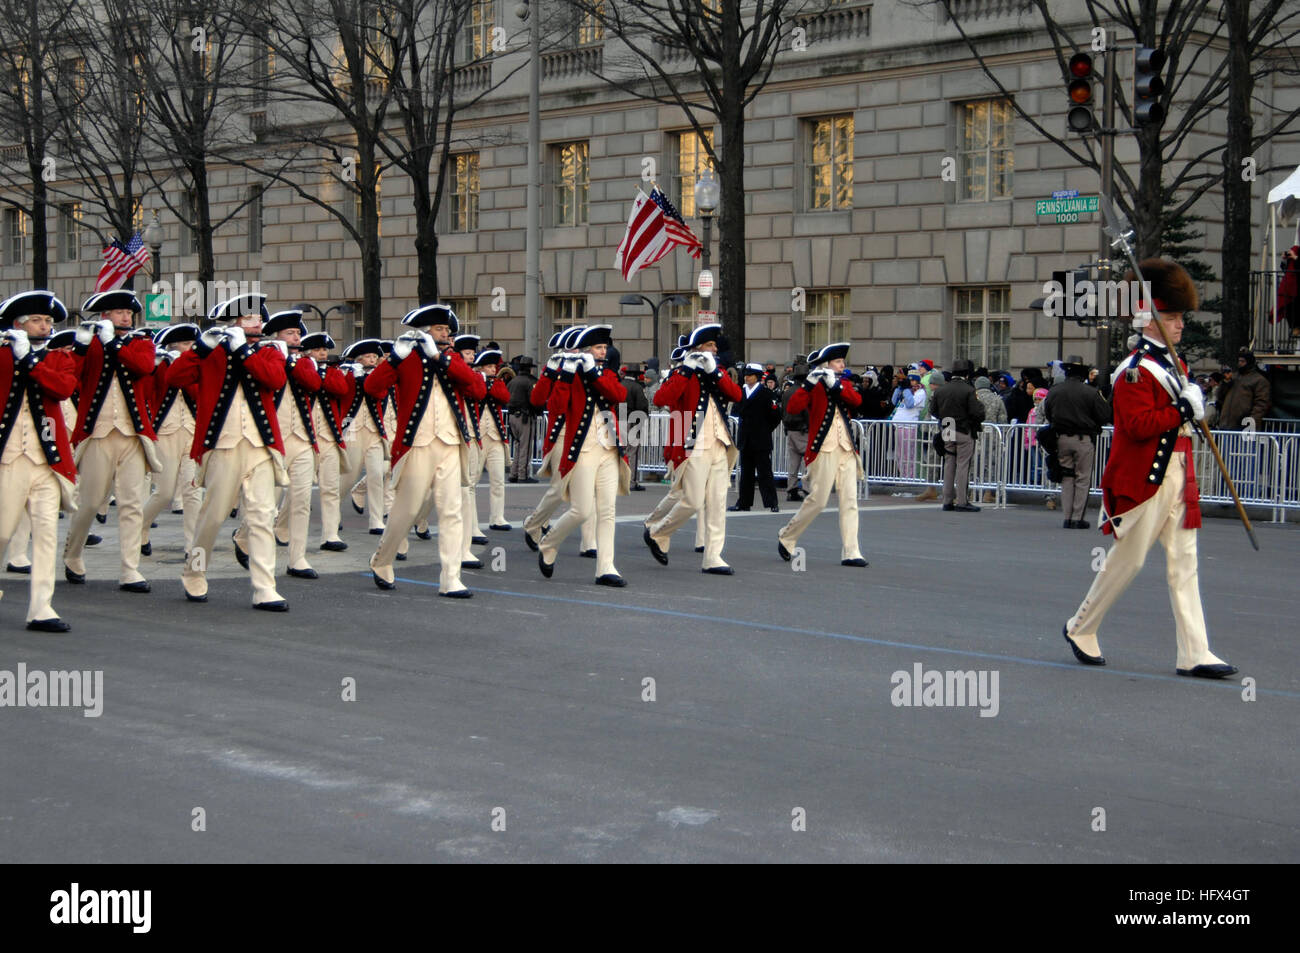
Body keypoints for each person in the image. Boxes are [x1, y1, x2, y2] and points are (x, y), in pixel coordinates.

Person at [1063, 259, 1237, 679]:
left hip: (1178, 470)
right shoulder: (1136, 372)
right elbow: (1135, 427)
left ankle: (1195, 651)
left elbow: (1177, 421)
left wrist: (1193, 410)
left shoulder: (1175, 367)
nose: (1180, 325)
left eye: (1180, 317)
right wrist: (1181, 408)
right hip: (1146, 476)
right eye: (1173, 317)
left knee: (1184, 562)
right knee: (1131, 560)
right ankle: (1081, 626)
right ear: (1150, 319)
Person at [168, 293, 290, 610]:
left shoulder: (270, 352)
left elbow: (274, 380)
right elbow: (174, 377)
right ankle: (194, 571)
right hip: (222, 446)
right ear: (235, 322)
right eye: (252, 319)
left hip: (261, 446)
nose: (259, 324)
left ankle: (265, 587)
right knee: (213, 517)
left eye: (259, 319)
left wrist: (244, 351)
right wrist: (201, 347)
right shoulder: (211, 354)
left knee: (263, 517)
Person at [365, 303, 484, 597]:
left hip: (451, 443)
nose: (446, 334)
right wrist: (393, 359)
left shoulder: (451, 359)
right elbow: (372, 387)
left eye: (447, 330)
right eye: (440, 329)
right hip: (416, 443)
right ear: (425, 331)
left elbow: (477, 389)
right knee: (407, 510)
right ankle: (382, 560)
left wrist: (440, 358)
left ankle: (451, 579)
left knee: (452, 511)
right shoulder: (407, 358)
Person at [62, 290, 161, 593]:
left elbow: (144, 368)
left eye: (129, 313)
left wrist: (113, 344)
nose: (126, 318)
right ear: (105, 316)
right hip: (98, 434)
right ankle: (73, 553)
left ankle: (130, 569)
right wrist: (84, 344)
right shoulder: (90, 345)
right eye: (120, 313)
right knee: (90, 502)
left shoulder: (140, 344)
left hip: (133, 435)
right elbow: (71, 376)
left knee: (132, 504)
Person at [0, 292, 79, 631]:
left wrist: (29, 361)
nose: (45, 326)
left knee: (46, 535)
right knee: (2, 532)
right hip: (9, 458)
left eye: (48, 321)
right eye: (37, 320)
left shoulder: (58, 359)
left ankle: (41, 608)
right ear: (18, 324)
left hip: (48, 460)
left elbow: (62, 388)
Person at [643, 324, 744, 574]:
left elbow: (737, 395)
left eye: (714, 346)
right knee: (692, 500)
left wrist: (716, 373)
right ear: (699, 348)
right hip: (693, 443)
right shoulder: (683, 373)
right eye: (710, 345)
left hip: (720, 442)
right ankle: (658, 532)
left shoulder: (716, 372)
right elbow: (661, 399)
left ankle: (713, 557)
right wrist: (687, 368)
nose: (715, 349)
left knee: (718, 502)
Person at [537, 325, 630, 586]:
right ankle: (549, 542)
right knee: (580, 509)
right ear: (587, 350)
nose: (603, 352)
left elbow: (618, 395)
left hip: (609, 448)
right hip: (582, 448)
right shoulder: (572, 374)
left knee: (607, 510)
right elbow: (554, 406)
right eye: (599, 348)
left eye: (604, 348)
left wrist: (593, 371)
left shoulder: (607, 373)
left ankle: (606, 567)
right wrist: (566, 374)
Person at [244, 308, 322, 580]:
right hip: (272, 439)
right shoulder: (264, 355)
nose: (296, 338)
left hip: (301, 439)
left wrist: (293, 361)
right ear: (276, 336)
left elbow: (313, 385)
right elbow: (269, 380)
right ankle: (243, 537)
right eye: (290, 333)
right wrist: (281, 357)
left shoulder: (305, 362)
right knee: (267, 499)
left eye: (298, 333)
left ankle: (297, 558)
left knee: (301, 501)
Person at [776, 342, 867, 567]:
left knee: (850, 501)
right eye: (838, 361)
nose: (842, 365)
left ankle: (851, 551)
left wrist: (836, 385)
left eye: (842, 361)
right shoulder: (814, 385)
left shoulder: (842, 384)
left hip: (845, 447)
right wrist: (809, 383)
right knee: (818, 500)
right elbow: (793, 407)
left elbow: (857, 401)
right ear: (826, 364)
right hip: (823, 448)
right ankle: (787, 536)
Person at [141, 323, 202, 556]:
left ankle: (192, 546)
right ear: (172, 345)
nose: (190, 348)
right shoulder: (160, 364)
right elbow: (148, 392)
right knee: (164, 493)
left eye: (192, 344)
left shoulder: (195, 366)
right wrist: (157, 365)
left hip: (192, 432)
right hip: (165, 433)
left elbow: (197, 393)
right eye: (186, 344)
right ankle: (140, 528)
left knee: (192, 492)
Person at [1043, 359, 1112, 529]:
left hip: (1061, 438)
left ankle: (1067, 517)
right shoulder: (1090, 392)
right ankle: (1077, 517)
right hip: (1083, 439)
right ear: (1082, 374)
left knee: (1066, 477)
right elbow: (1104, 415)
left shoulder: (1054, 391)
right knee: (1082, 478)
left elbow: (1048, 413)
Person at [301, 331, 350, 553]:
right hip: (305, 438)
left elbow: (340, 390)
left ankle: (330, 535)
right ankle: (280, 528)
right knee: (299, 490)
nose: (322, 353)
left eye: (324, 350)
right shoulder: (300, 368)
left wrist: (323, 372)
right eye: (317, 349)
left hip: (329, 438)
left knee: (330, 488)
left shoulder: (333, 372)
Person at [338, 339, 392, 535]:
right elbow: (342, 392)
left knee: (377, 475)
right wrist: (349, 374)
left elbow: (379, 393)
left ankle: (376, 520)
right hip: (352, 428)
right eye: (368, 357)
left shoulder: (378, 377)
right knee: (349, 475)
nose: (372, 360)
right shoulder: (348, 374)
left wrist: (363, 378)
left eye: (374, 357)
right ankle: (334, 510)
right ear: (359, 359)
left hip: (374, 431)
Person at [930, 358, 985, 512]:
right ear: (966, 374)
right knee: (962, 465)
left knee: (949, 464)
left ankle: (947, 500)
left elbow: (933, 410)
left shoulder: (941, 390)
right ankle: (962, 501)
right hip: (963, 429)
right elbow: (977, 412)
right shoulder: (968, 390)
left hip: (947, 427)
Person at [471, 347, 513, 531]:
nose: (493, 370)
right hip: (478, 436)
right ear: (480, 368)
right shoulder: (473, 381)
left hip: (495, 436)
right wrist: (481, 382)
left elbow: (504, 397)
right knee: (473, 479)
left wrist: (490, 383)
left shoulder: (497, 383)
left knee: (498, 479)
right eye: (488, 367)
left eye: (493, 367)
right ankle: (470, 521)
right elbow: (476, 395)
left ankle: (497, 517)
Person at [729, 362, 780, 512]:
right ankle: (744, 502)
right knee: (746, 473)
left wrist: (765, 429)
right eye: (745, 375)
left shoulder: (766, 393)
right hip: (745, 438)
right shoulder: (741, 392)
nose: (746, 378)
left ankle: (772, 503)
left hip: (761, 439)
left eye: (750, 375)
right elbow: (736, 412)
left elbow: (775, 416)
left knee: (765, 472)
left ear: (757, 377)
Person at [1215, 347, 1271, 432]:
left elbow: (1261, 405)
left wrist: (1251, 422)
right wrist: (1225, 383)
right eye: (1239, 361)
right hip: (1226, 425)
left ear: (1249, 363)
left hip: (1244, 427)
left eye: (1243, 361)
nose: (1240, 364)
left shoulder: (1259, 380)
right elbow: (1219, 396)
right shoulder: (1233, 377)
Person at [780, 358, 810, 500]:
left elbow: (783, 411)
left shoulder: (787, 392)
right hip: (803, 430)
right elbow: (806, 412)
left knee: (793, 463)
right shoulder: (803, 393)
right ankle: (807, 489)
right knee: (808, 463)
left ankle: (791, 489)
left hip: (790, 429)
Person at [506, 357, 539, 483]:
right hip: (525, 417)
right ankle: (522, 475)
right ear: (530, 369)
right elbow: (535, 400)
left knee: (518, 446)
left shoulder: (513, 381)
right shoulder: (530, 381)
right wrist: (538, 411)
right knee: (525, 447)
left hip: (512, 416)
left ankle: (513, 473)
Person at [891, 371, 926, 481]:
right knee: (899, 455)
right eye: (909, 380)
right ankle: (902, 477)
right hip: (899, 425)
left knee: (908, 455)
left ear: (917, 381)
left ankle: (909, 479)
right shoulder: (907, 390)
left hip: (909, 426)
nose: (910, 382)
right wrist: (899, 388)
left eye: (913, 380)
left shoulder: (920, 392)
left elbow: (910, 404)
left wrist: (906, 389)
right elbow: (893, 401)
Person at [621, 362, 650, 491]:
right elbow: (642, 405)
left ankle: (620, 479)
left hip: (619, 420)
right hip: (632, 420)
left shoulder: (620, 384)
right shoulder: (636, 387)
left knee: (621, 451)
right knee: (632, 452)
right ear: (636, 375)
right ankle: (631, 481)